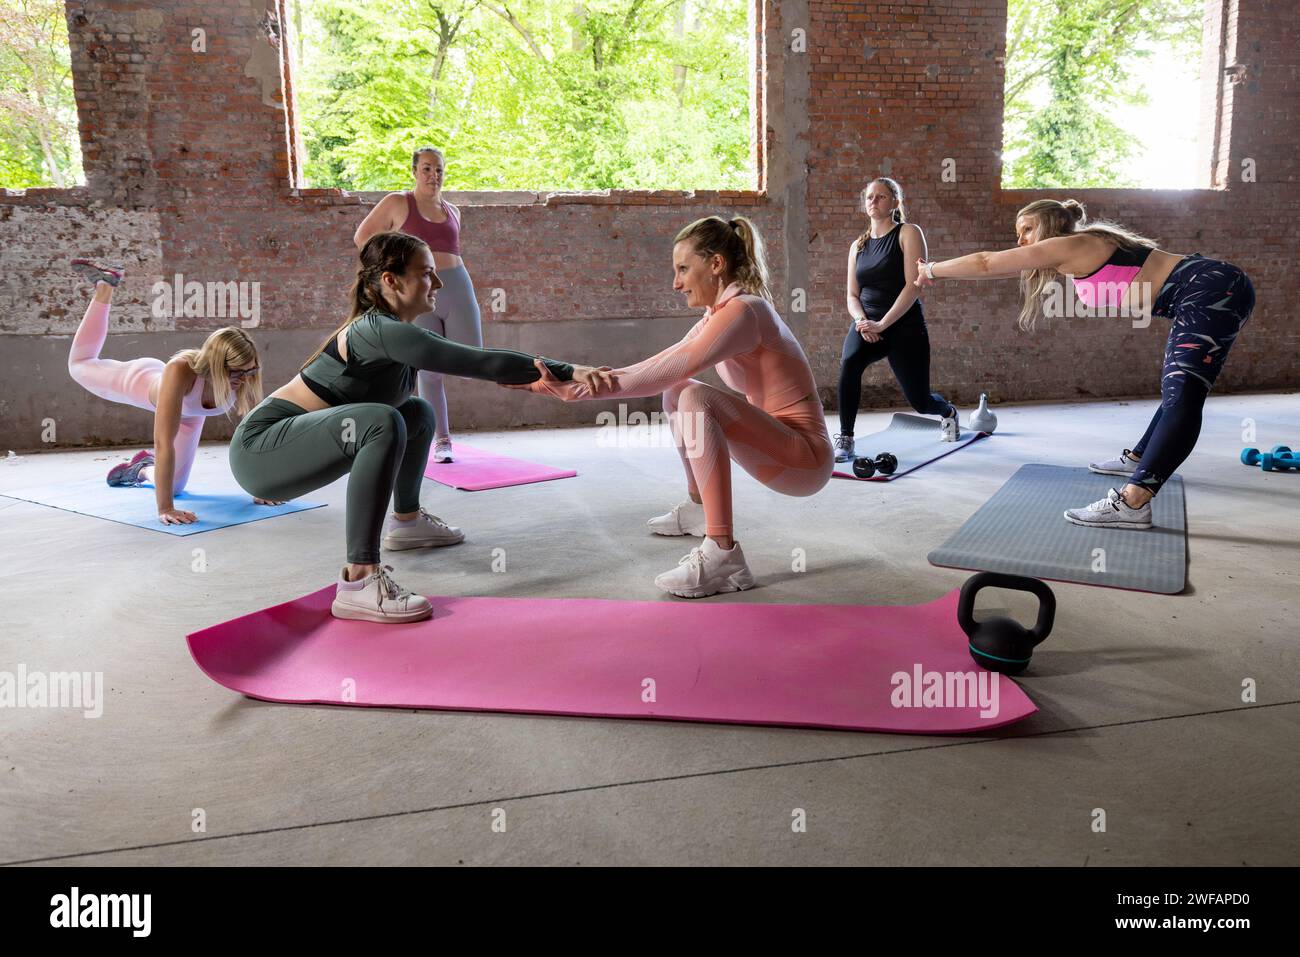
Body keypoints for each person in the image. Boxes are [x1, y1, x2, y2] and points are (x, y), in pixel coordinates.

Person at [229, 232, 616, 623]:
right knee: (382, 421)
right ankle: (359, 580)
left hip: (283, 445)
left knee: (416, 412)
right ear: (391, 280)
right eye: (427, 273)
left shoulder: (398, 332)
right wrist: (571, 370)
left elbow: (484, 365)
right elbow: (482, 363)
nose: (439, 283)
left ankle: (408, 522)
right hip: (260, 451)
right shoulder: (378, 330)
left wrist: (550, 381)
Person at [512, 216, 833, 598]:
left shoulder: (745, 312)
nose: (676, 283)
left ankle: (723, 554)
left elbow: (666, 370)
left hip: (805, 459)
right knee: (679, 389)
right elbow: (660, 366)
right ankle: (700, 508)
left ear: (716, 265)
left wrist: (570, 393)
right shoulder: (719, 313)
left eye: (683, 269)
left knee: (695, 397)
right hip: (777, 449)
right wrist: (578, 380)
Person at [915, 199, 1254, 529]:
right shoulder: (1078, 248)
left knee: (1183, 396)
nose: (1020, 241)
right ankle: (1137, 459)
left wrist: (931, 270)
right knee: (1177, 392)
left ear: (1049, 226)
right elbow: (999, 269)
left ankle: (1133, 501)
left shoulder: (1071, 244)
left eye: (1027, 230)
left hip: (1209, 289)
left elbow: (987, 262)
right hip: (1209, 289)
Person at [67, 259, 268, 525]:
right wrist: (165, 509)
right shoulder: (180, 370)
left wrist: (267, 488)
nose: (243, 379)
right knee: (79, 365)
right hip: (140, 382)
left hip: (190, 415)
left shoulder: (245, 379)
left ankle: (140, 469)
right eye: (236, 373)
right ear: (215, 367)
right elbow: (163, 442)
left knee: (174, 487)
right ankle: (105, 287)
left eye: (249, 371)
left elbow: (260, 435)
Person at [354, 146, 481, 463]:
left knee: (472, 361)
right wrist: (393, 275)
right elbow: (363, 237)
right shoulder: (398, 203)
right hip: (417, 290)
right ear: (414, 171)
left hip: (456, 283)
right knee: (429, 370)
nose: (433, 175)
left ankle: (439, 435)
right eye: (426, 168)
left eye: (438, 169)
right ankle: (442, 440)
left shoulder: (454, 210)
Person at [836, 177, 958, 463]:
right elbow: (852, 295)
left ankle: (947, 412)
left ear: (895, 203)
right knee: (849, 364)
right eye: (869, 197)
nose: (873, 201)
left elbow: (913, 285)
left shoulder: (908, 233)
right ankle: (846, 438)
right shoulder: (858, 245)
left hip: (904, 327)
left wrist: (883, 324)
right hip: (867, 326)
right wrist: (862, 321)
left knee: (920, 401)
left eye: (880, 197)